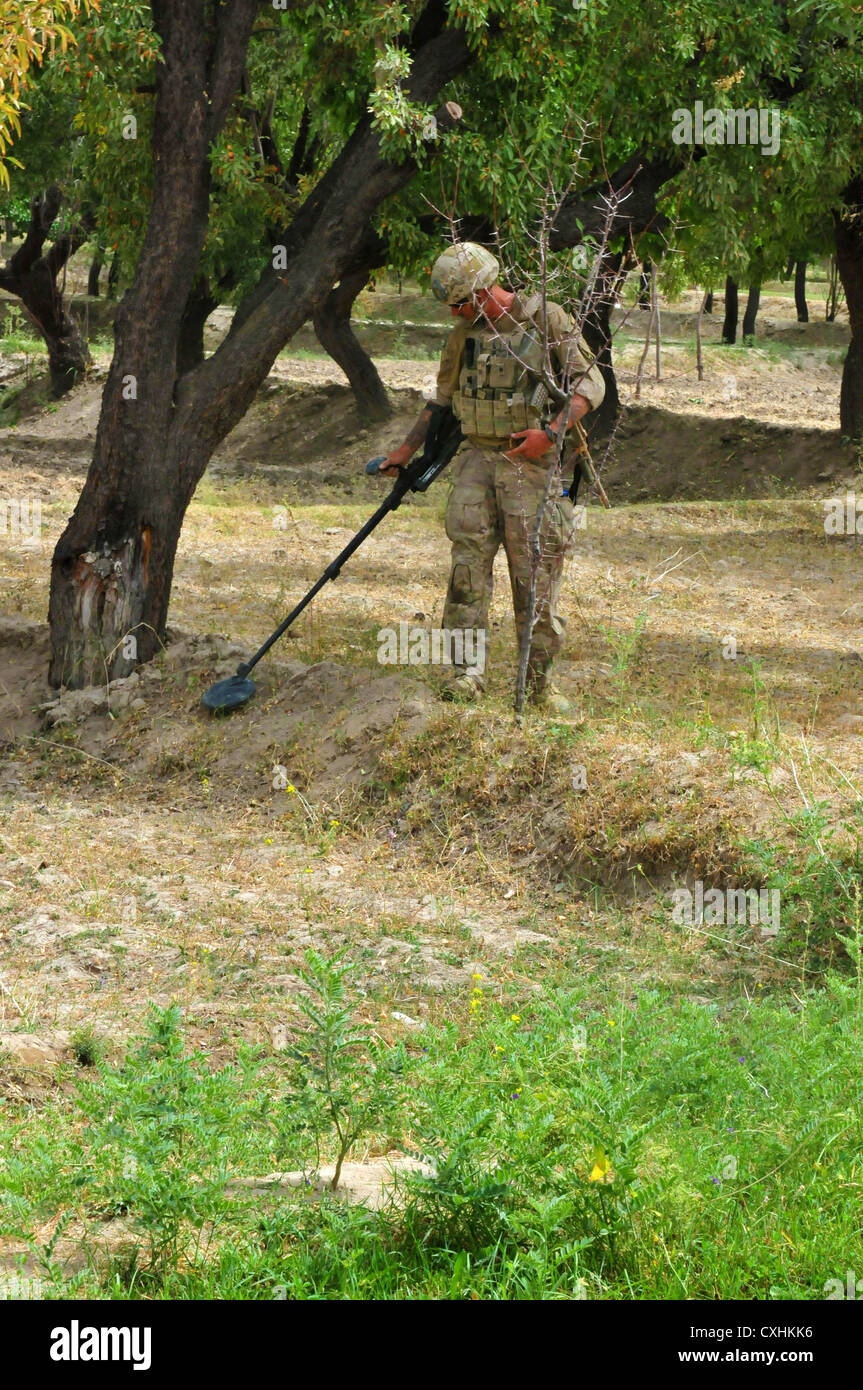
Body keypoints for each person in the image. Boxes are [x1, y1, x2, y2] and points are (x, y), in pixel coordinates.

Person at [377, 241, 605, 711]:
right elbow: (441, 400)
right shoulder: (464, 333)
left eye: (457, 303)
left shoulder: (547, 321)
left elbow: (589, 385)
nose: (453, 313)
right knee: (467, 569)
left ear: (481, 291)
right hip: (477, 461)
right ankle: (465, 676)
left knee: (536, 576)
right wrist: (405, 450)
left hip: (533, 466)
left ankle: (538, 685)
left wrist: (550, 432)